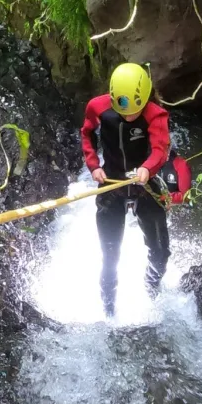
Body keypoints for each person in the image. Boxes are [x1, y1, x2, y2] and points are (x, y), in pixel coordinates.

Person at [81, 63, 172, 318]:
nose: (128, 116)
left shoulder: (155, 115)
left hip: (146, 186)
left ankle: (152, 292)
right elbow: (87, 134)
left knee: (160, 251)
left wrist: (147, 168)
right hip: (111, 185)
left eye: (134, 112)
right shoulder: (97, 107)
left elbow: (160, 148)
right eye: (123, 112)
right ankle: (109, 312)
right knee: (110, 255)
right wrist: (93, 165)